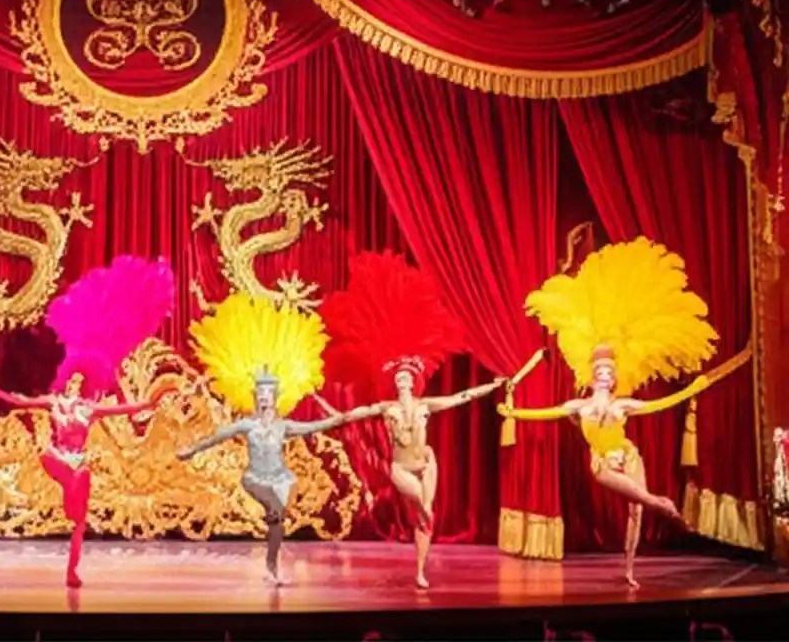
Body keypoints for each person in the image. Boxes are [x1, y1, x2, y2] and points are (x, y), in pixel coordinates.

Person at [501, 237, 749, 588]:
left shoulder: (624, 405)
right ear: (591, 374)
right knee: (646, 500)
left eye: (608, 372)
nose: (604, 375)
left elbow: (662, 404)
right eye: (599, 371)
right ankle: (665, 506)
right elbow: (544, 413)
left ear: (614, 376)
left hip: (628, 455)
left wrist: (694, 389)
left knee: (636, 510)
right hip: (603, 464)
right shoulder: (579, 406)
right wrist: (512, 412)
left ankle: (630, 569)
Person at [318, 250, 517, 589]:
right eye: (400, 380)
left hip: (426, 462)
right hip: (400, 468)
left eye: (409, 379)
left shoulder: (426, 405)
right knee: (424, 507)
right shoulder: (388, 408)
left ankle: (421, 570)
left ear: (416, 380)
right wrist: (323, 405)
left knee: (427, 518)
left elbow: (461, 398)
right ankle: (423, 515)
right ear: (394, 383)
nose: (404, 382)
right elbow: (348, 416)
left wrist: (492, 386)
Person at [0, 255, 175, 588]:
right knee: (58, 462)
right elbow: (21, 402)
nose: (73, 385)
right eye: (69, 379)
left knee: (79, 521)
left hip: (77, 462)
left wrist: (157, 398)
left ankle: (72, 570)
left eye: (78, 381)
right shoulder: (53, 402)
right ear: (63, 379)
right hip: (56, 458)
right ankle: (71, 490)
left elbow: (129, 410)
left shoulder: (90, 409)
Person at [178, 292, 347, 587]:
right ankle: (272, 562)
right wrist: (191, 450)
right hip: (255, 478)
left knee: (277, 526)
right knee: (274, 510)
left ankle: (272, 565)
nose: (266, 399)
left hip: (281, 477)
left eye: (270, 395)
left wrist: (336, 420)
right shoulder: (247, 424)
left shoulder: (284, 426)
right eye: (262, 395)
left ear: (276, 398)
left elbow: (312, 427)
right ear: (257, 398)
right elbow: (217, 437)